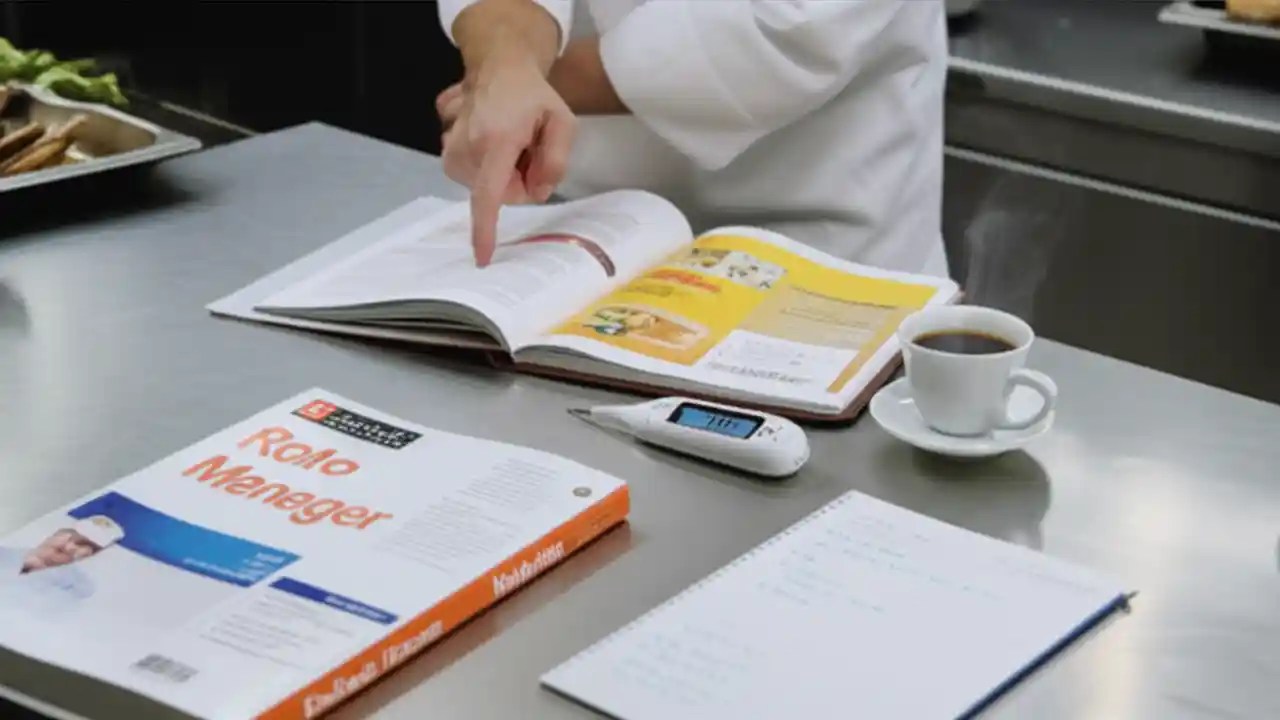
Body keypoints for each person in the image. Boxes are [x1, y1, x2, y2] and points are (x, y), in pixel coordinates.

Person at [435, 0, 950, 278]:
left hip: (825, 236)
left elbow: (792, 25)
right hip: (588, 225)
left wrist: (532, 86)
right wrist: (505, 63)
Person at [0, 516, 124, 617]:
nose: (70, 546)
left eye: (84, 545)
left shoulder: (77, 588)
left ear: (91, 555)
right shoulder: (5, 553)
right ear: (59, 532)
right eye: (72, 536)